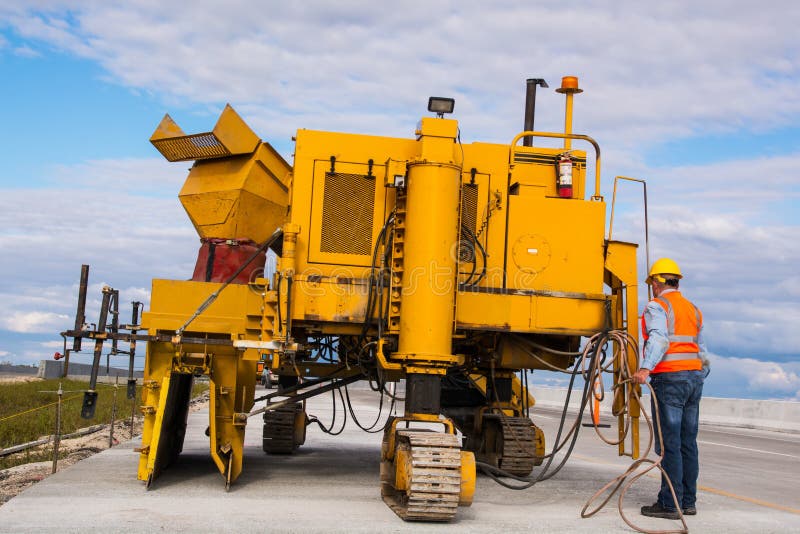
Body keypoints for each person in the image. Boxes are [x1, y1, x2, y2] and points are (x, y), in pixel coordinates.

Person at [632, 258, 708, 520]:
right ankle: (688, 502)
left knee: (670, 444)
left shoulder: (658, 305)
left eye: (651, 282)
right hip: (693, 380)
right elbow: (702, 349)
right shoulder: (692, 309)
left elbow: (660, 338)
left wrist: (645, 368)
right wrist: (697, 375)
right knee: (688, 442)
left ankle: (669, 503)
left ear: (656, 282)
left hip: (670, 380)